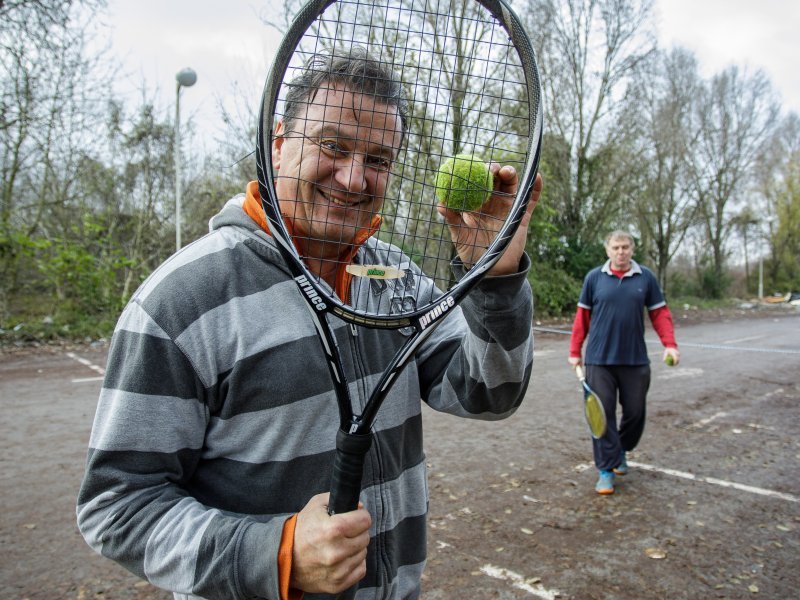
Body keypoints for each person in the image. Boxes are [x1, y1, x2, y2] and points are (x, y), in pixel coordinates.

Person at [77, 48, 542, 600]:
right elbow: (117, 505)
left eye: (377, 159)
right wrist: (275, 556)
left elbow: (491, 392)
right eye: (333, 146)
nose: (353, 178)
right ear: (278, 145)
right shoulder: (183, 300)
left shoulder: (395, 279)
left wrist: (496, 273)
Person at [568, 231, 679, 495]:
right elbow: (582, 316)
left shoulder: (646, 278)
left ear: (632, 249)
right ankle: (606, 470)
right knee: (602, 415)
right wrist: (575, 350)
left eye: (625, 247)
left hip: (635, 359)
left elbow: (660, 313)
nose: (621, 252)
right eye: (616, 247)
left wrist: (670, 344)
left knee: (635, 413)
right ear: (607, 251)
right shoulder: (594, 278)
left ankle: (621, 449)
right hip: (599, 361)